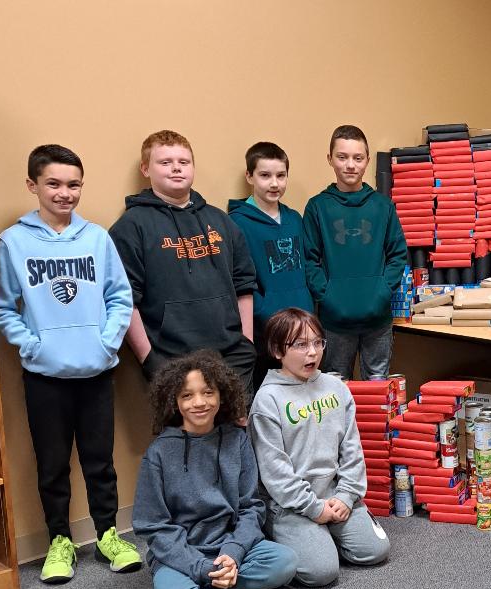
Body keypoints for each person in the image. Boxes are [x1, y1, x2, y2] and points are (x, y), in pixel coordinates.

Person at [0, 144, 140, 583]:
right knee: (52, 462)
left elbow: (119, 296)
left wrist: (106, 342)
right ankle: (60, 541)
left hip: (96, 370)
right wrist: (31, 345)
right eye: (53, 184)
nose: (64, 193)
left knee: (100, 460)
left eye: (73, 184)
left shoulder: (96, 238)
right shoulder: (14, 242)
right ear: (32, 185)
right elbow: (2, 308)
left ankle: (109, 533)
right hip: (44, 375)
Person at [133, 351, 297, 589]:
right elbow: (152, 526)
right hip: (181, 555)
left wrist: (232, 554)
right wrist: (201, 568)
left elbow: (251, 507)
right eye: (187, 396)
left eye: (208, 392)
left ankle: (215, 586)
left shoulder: (237, 440)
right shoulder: (159, 453)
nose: (199, 403)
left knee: (286, 562)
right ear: (174, 401)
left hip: (229, 545)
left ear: (222, 396)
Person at [109, 130, 259, 394]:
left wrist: (246, 343)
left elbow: (244, 285)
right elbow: (124, 299)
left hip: (232, 356)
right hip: (171, 360)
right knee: (184, 436)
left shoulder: (221, 221)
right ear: (146, 169)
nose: (176, 168)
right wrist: (148, 359)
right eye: (165, 162)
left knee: (237, 432)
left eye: (184, 162)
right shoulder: (131, 226)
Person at [249, 308, 390, 586]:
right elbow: (275, 472)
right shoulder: (267, 400)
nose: (312, 353)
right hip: (290, 505)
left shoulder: (336, 388)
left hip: (335, 494)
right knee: (322, 572)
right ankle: (284, 532)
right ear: (278, 350)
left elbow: (352, 449)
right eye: (300, 345)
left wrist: (347, 496)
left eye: (317, 342)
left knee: (376, 551)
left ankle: (324, 535)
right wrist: (314, 509)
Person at [302, 125, 407, 379]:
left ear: (367, 161)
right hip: (335, 320)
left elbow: (398, 255)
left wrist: (382, 291)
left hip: (377, 319)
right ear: (330, 159)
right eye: (342, 157)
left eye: (358, 158)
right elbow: (309, 260)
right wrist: (327, 296)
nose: (350, 165)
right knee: (335, 389)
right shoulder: (317, 207)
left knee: (378, 388)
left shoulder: (383, 206)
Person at [228, 142, 313, 389]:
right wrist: (265, 311)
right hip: (266, 333)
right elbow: (239, 279)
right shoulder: (236, 223)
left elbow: (305, 266)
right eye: (265, 175)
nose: (274, 183)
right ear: (249, 177)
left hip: (303, 328)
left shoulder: (294, 218)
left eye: (280, 175)